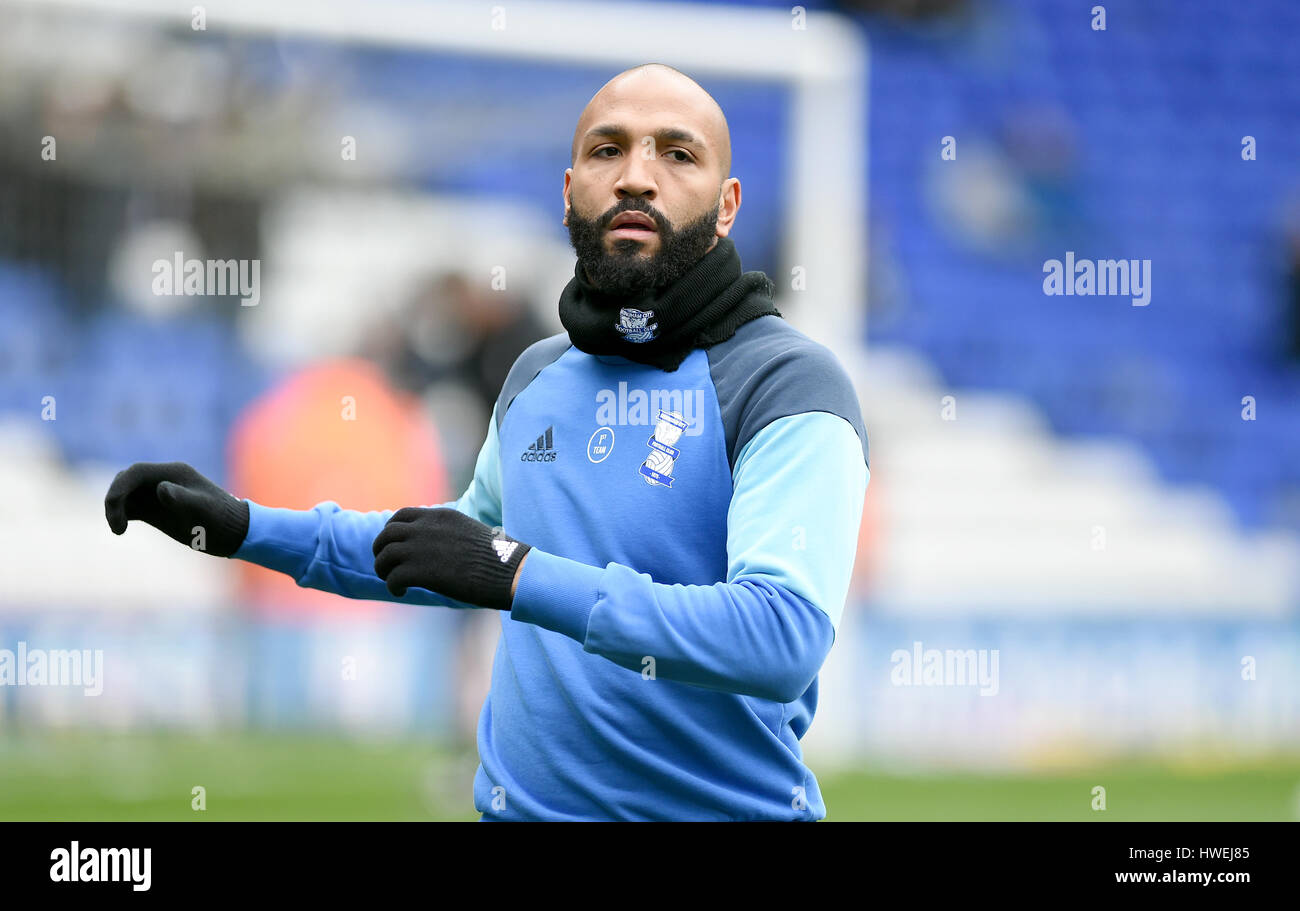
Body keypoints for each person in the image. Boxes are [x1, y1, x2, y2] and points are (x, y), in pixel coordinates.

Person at [104, 63, 870, 821]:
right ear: (570, 192)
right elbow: (449, 549)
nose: (637, 176)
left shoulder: (787, 383)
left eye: (677, 153)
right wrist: (245, 527)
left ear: (728, 205)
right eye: (608, 150)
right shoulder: (537, 376)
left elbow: (780, 634)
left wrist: (516, 573)